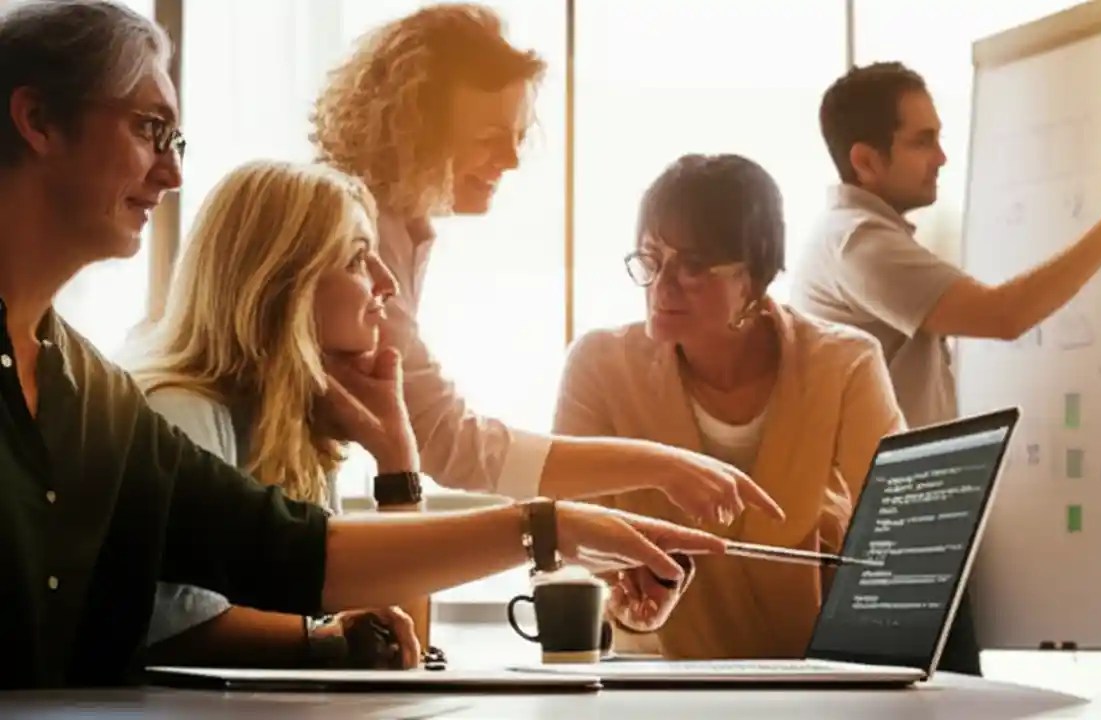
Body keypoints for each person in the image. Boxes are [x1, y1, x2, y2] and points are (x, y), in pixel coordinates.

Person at [0, 0, 725, 689]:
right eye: (150, 129)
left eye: (176, 140)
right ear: (37, 120)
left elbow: (297, 551)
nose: (174, 171)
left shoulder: (90, 390)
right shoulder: (160, 403)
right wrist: (559, 518)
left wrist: (542, 523)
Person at [789, 61, 1101, 674]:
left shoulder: (859, 235)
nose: (943, 158)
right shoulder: (860, 243)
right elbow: (1002, 314)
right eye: (922, 141)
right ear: (866, 160)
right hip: (891, 530)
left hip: (898, 522)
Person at [310, 4, 782, 527]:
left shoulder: (397, 229)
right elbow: (449, 440)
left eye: (517, 135)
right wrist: (664, 466)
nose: (512, 160)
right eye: (490, 138)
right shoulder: (358, 236)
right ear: (413, 132)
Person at [554, 154, 905, 659]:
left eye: (693, 266)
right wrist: (622, 596)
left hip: (810, 672)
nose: (662, 284)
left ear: (756, 277)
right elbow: (567, 534)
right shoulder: (601, 365)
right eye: (651, 258)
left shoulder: (843, 364)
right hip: (651, 670)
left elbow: (890, 534)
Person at [123, 160, 430, 668]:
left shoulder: (294, 429)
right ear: (284, 281)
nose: (387, 282)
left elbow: (400, 637)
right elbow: (173, 631)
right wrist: (327, 638)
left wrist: (397, 462)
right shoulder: (179, 412)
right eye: (358, 259)